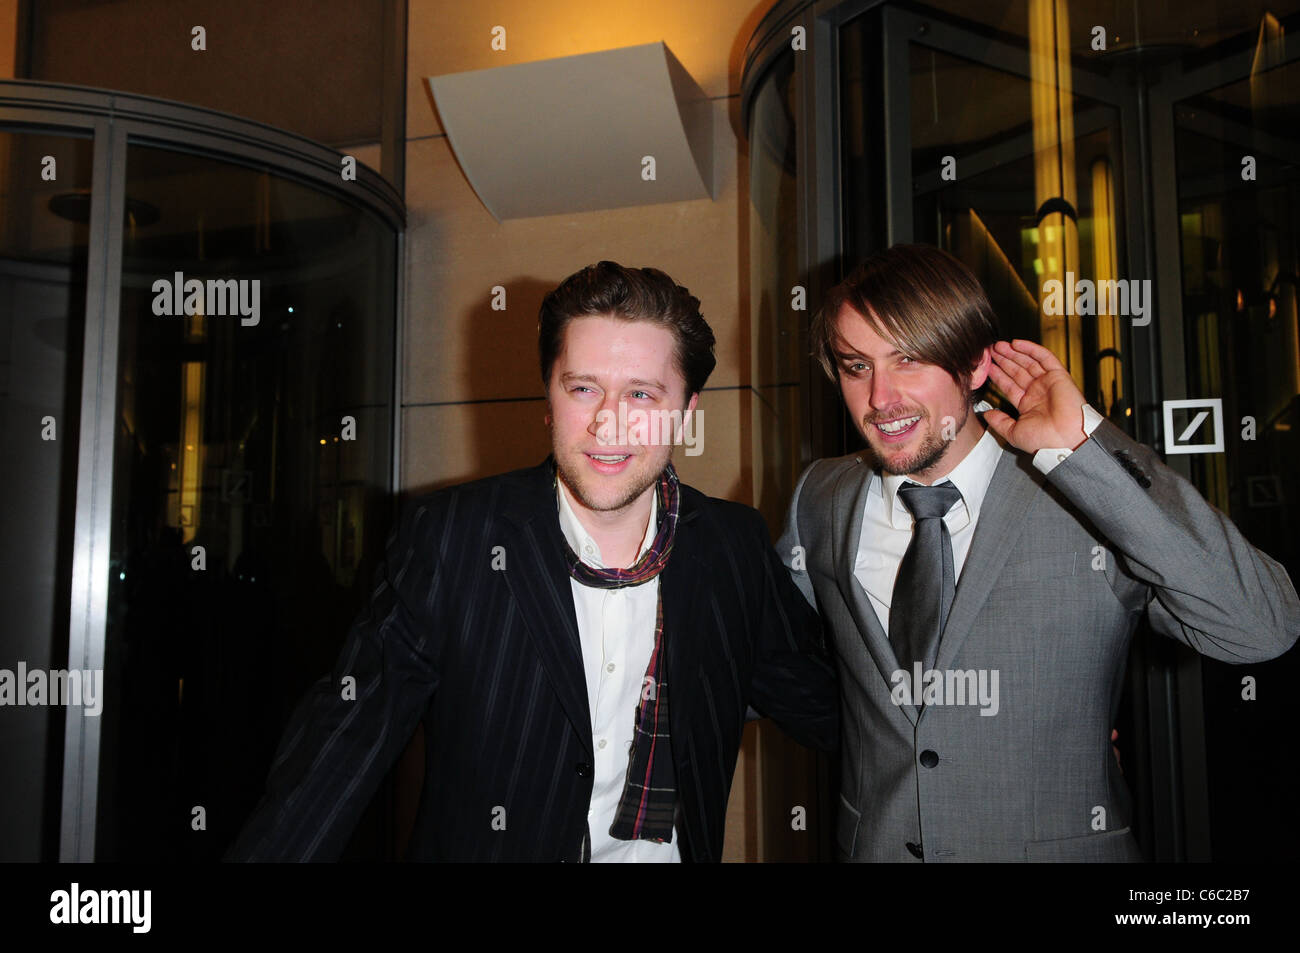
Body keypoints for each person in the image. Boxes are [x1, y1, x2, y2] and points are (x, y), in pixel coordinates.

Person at [228, 261, 838, 862]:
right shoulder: (455, 537)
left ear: (686, 409)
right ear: (549, 397)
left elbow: (832, 708)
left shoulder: (732, 545)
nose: (608, 421)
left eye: (642, 394)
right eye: (583, 388)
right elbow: (345, 737)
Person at [779, 243, 1299, 862]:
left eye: (909, 359)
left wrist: (1086, 447)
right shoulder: (822, 495)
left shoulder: (1086, 495)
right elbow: (773, 652)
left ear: (974, 365)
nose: (880, 398)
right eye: (855, 365)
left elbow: (1260, 629)